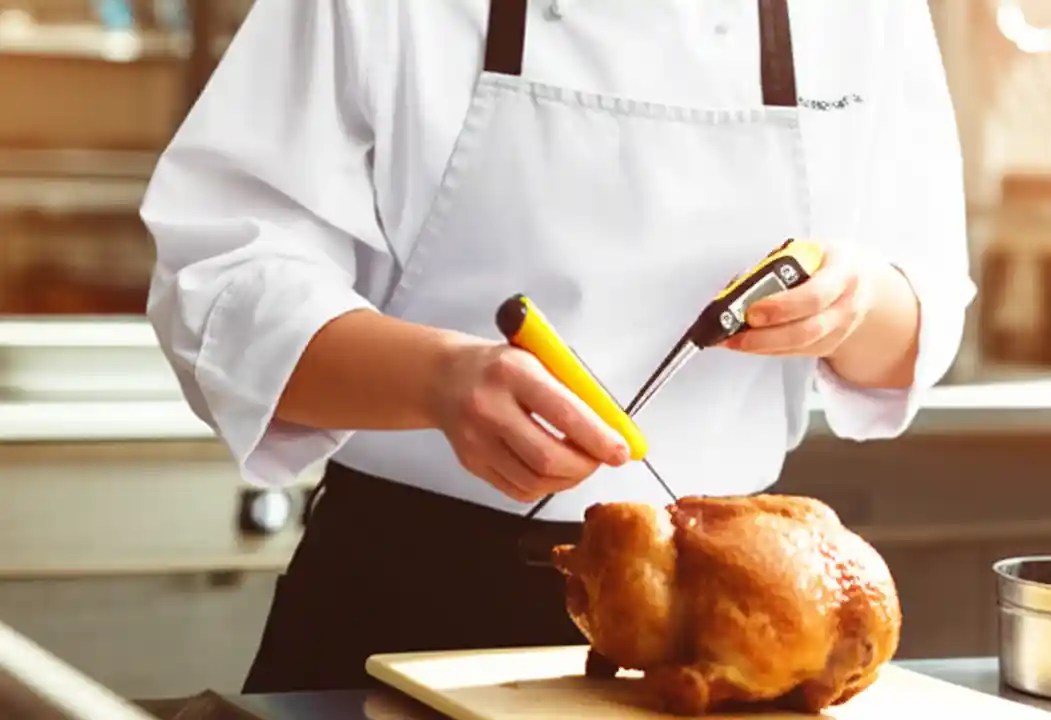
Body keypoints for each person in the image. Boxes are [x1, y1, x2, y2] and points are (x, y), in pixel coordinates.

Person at [140, 0, 975, 694]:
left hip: (741, 618)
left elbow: (918, 315)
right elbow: (223, 275)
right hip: (409, 600)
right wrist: (437, 379)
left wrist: (854, 303)